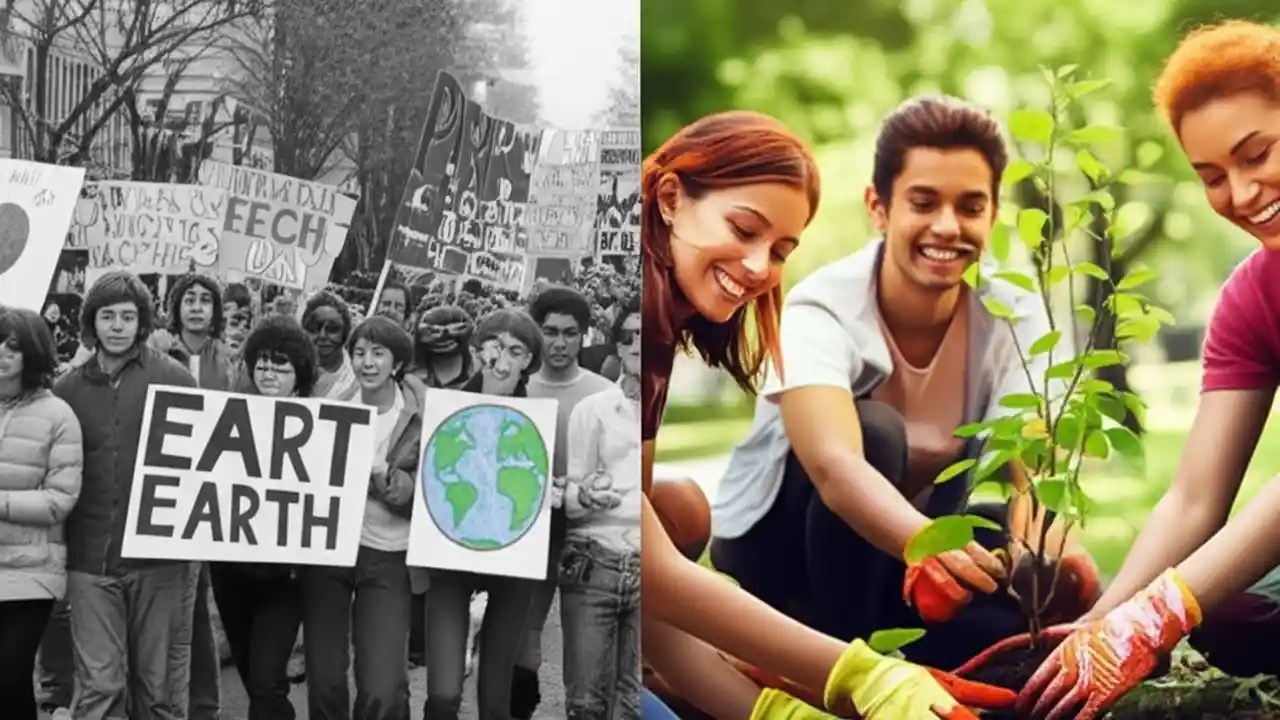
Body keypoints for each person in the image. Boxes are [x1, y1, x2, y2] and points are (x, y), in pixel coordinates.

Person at [708, 95, 1096, 671]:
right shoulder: (822, 305)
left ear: (992, 216)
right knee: (877, 432)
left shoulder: (1014, 316)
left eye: (970, 206)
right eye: (923, 202)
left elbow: (1029, 472)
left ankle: (914, 647)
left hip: (907, 549)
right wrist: (932, 548)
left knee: (1017, 590)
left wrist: (1040, 553)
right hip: (784, 547)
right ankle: (849, 657)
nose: (947, 226)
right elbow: (835, 468)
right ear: (879, 207)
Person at [640, 110, 997, 720]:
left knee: (668, 508)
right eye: (743, 228)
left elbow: (642, 603)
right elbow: (648, 572)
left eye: (780, 250)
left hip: (586, 588)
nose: (758, 268)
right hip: (481, 596)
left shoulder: (657, 335)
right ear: (671, 198)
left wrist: (775, 711)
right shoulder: (601, 309)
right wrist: (860, 676)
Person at [1016, 20, 1280, 720]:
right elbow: (1196, 498)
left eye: (1257, 154)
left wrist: (1157, 614)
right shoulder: (1254, 297)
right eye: (1213, 177)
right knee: (1226, 616)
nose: (1243, 193)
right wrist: (1107, 620)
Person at [54, 271, 201, 720]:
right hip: (89, 560)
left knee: (156, 689)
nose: (117, 326)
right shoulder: (66, 390)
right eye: (107, 316)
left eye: (127, 316)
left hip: (158, 560)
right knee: (101, 686)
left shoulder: (176, 379)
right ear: (91, 323)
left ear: (142, 322)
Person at [420, 308, 545, 720]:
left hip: (513, 562)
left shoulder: (541, 420)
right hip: (451, 555)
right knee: (442, 696)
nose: (502, 360)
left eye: (515, 350)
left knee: (496, 701)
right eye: (493, 348)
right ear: (477, 352)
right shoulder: (443, 409)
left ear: (529, 359)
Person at [300, 315, 420, 720]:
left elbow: (440, 489)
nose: (367, 362)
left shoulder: (423, 416)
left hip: (387, 554)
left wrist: (397, 487)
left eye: (378, 353)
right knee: (326, 679)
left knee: (382, 687)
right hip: (329, 552)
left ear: (398, 364)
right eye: (360, 352)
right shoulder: (330, 409)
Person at [512, 286, 615, 719]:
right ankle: (519, 703)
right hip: (529, 525)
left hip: (587, 530)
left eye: (569, 333)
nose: (558, 343)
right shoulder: (518, 387)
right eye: (549, 331)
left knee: (584, 638)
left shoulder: (604, 394)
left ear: (583, 336)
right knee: (524, 627)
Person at [209, 315, 317, 720]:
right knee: (253, 676)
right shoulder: (226, 414)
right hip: (232, 570)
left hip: (284, 578)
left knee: (268, 680)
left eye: (282, 363)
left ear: (300, 373)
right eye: (263, 361)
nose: (270, 371)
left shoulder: (324, 427)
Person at [150, 273, 230, 720]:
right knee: (171, 600)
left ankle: (202, 703)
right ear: (175, 305)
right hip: (166, 487)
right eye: (189, 299)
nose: (197, 307)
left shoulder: (231, 359)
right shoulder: (156, 351)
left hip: (212, 492)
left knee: (196, 600)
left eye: (206, 300)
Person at [558, 295, 642, 719]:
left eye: (648, 335)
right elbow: (570, 499)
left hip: (651, 565)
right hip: (594, 560)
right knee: (586, 703)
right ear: (617, 345)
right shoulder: (592, 411)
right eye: (629, 336)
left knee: (633, 703)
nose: (638, 345)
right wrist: (584, 496)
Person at [0, 307, 82, 720]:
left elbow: (59, 499)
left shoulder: (58, 415)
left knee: (11, 675)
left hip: (31, 571)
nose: (2, 354)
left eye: (13, 346)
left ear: (32, 353)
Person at [303, 291, 360, 402]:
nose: (322, 336)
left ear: (345, 333)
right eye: (315, 328)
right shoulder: (286, 366)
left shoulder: (358, 380)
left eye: (332, 329)